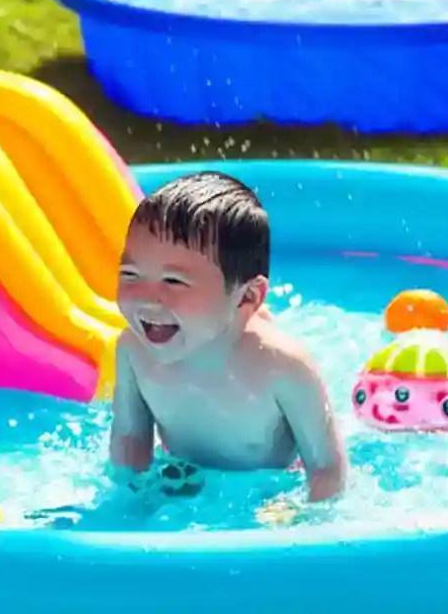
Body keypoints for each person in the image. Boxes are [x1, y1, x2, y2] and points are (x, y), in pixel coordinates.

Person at [109, 171, 347, 505]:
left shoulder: (282, 367)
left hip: (269, 493)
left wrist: (302, 521)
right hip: (183, 477)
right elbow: (130, 437)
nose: (148, 299)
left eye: (173, 281)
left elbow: (326, 469)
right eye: (130, 275)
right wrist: (129, 503)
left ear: (247, 296)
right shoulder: (133, 350)